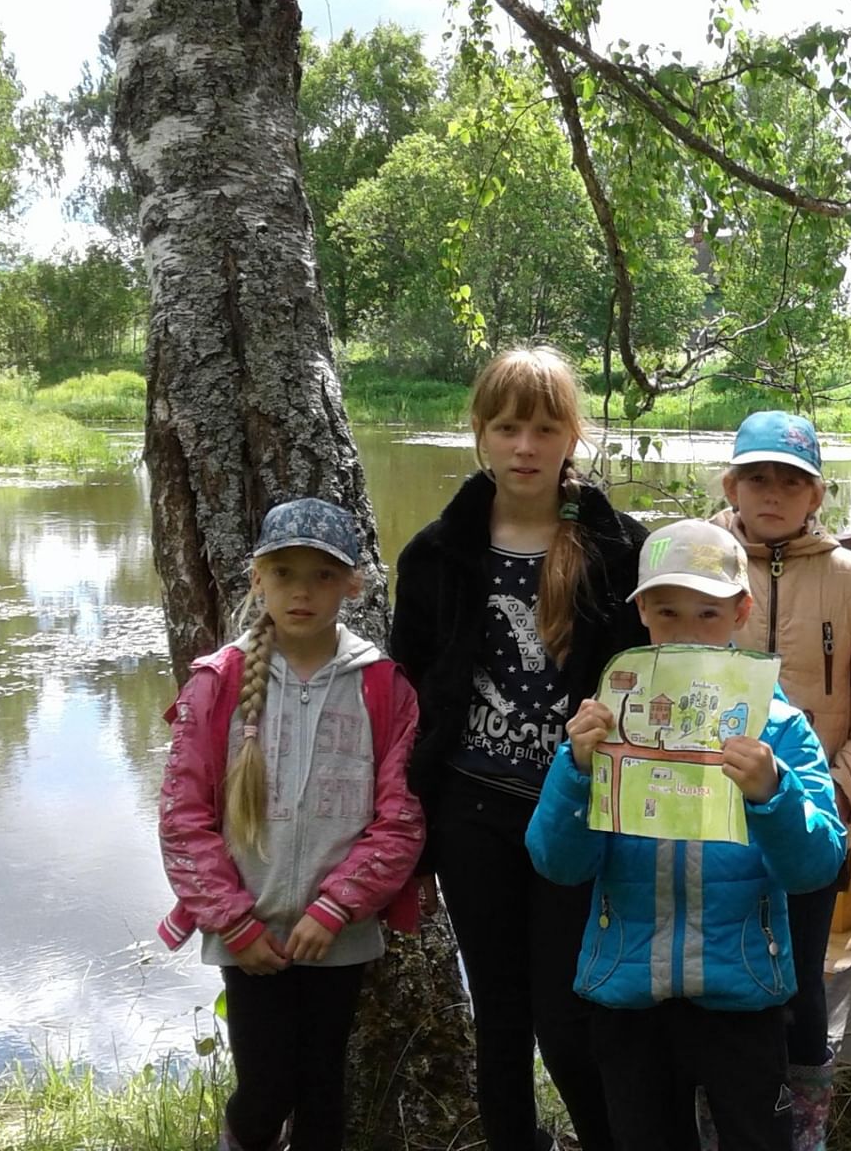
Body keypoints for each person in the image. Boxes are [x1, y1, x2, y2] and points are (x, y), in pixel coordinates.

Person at [390, 346, 647, 1151]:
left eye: (543, 428)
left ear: (573, 435)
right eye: (507, 428)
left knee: (566, 1015)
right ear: (481, 434)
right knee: (499, 1017)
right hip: (471, 810)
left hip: (578, 813)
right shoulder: (434, 556)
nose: (525, 447)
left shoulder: (620, 552)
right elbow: (405, 695)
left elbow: (651, 683)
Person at [525, 519, 848, 1151]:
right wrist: (576, 771)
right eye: (668, 612)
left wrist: (772, 793)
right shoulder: (609, 722)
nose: (686, 632)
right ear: (642, 611)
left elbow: (817, 867)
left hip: (743, 990)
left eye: (708, 613)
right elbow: (557, 863)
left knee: (758, 1138)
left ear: (741, 613)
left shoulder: (779, 731)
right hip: (627, 990)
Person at [157, 498, 425, 1151]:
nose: (301, 591)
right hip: (246, 932)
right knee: (265, 1092)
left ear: (351, 584)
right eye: (284, 573)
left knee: (321, 1092)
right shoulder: (216, 686)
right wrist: (233, 921)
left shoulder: (384, 688)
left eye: (322, 575)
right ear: (257, 579)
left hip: (338, 932)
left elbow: (402, 821)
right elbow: (182, 819)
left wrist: (337, 906)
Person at [710, 410, 851, 1146]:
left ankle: (802, 1124)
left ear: (817, 493)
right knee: (710, 980)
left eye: (790, 479)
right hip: (700, 822)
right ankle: (720, 1115)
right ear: (731, 483)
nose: (772, 493)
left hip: (805, 822)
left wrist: (841, 789)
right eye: (757, 477)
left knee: (797, 982)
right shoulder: (697, 557)